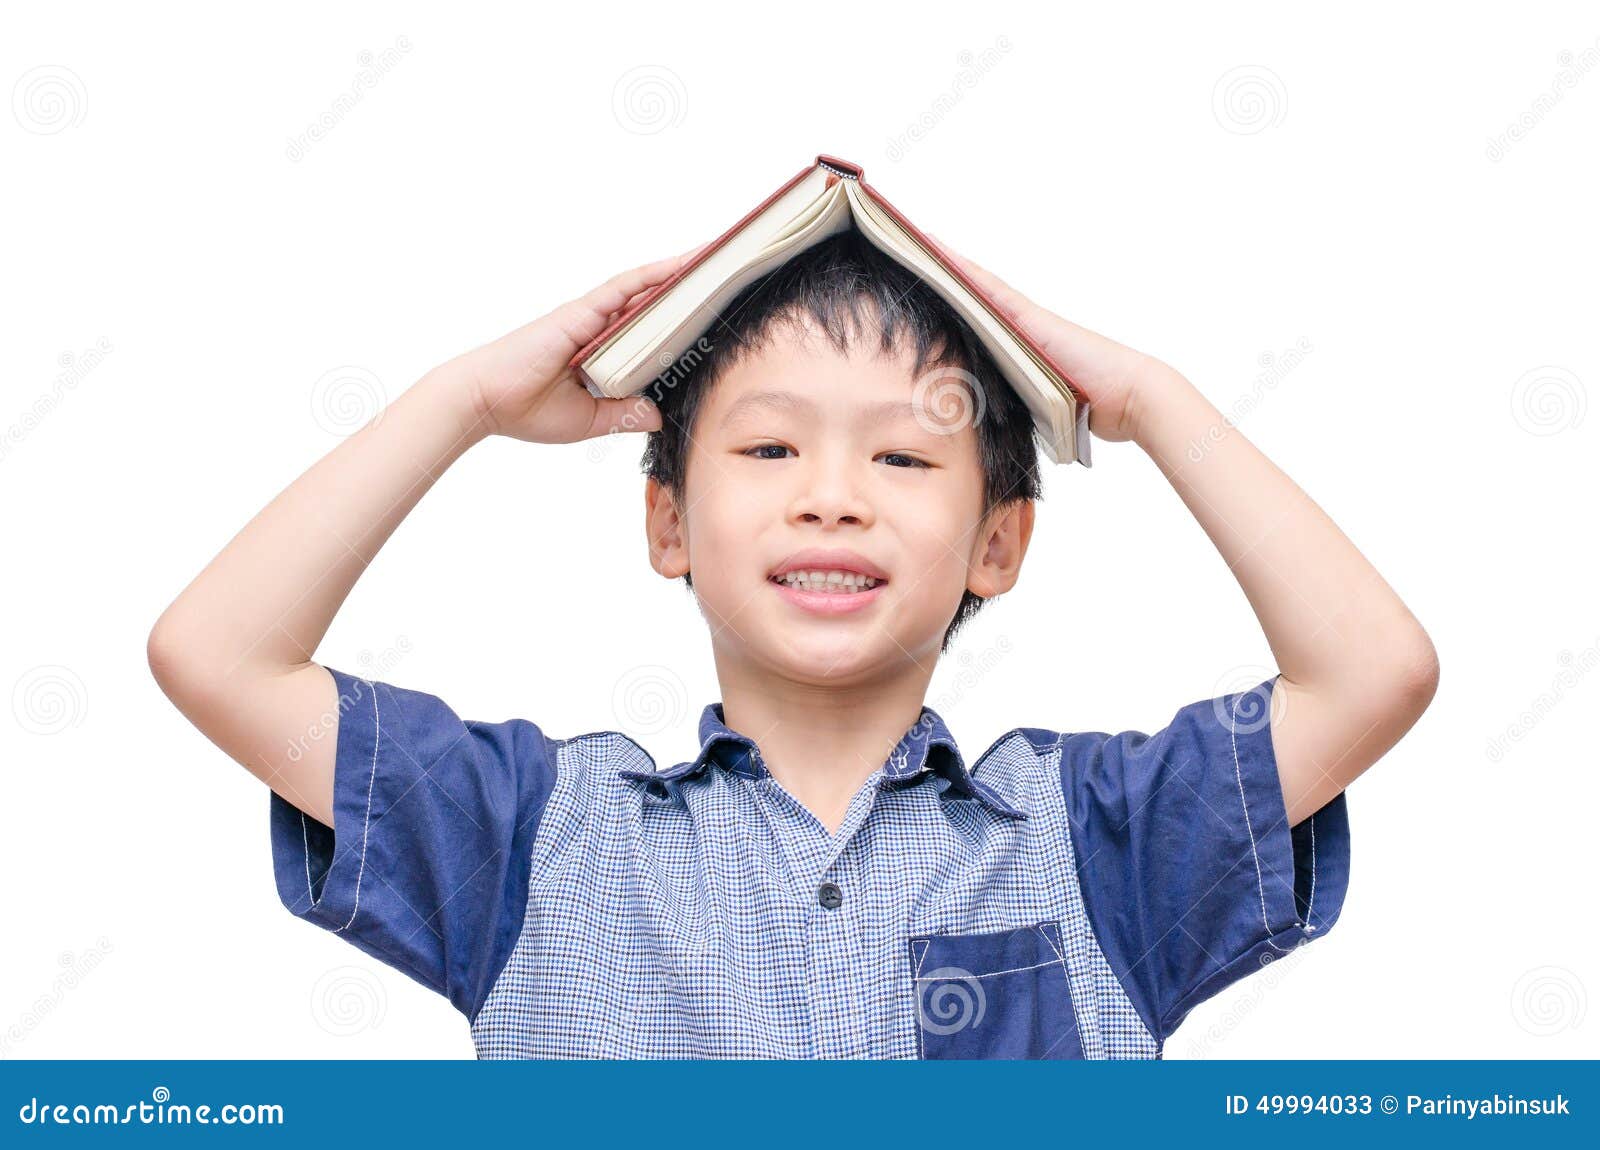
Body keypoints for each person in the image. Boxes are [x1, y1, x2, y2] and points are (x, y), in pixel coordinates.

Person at [147, 227, 1438, 1058]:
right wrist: (469, 401)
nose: (833, 493)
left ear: (1000, 542)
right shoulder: (530, 834)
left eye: (903, 452)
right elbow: (218, 652)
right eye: (768, 447)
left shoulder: (1101, 842)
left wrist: (1151, 402)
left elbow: (1373, 671)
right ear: (669, 521)